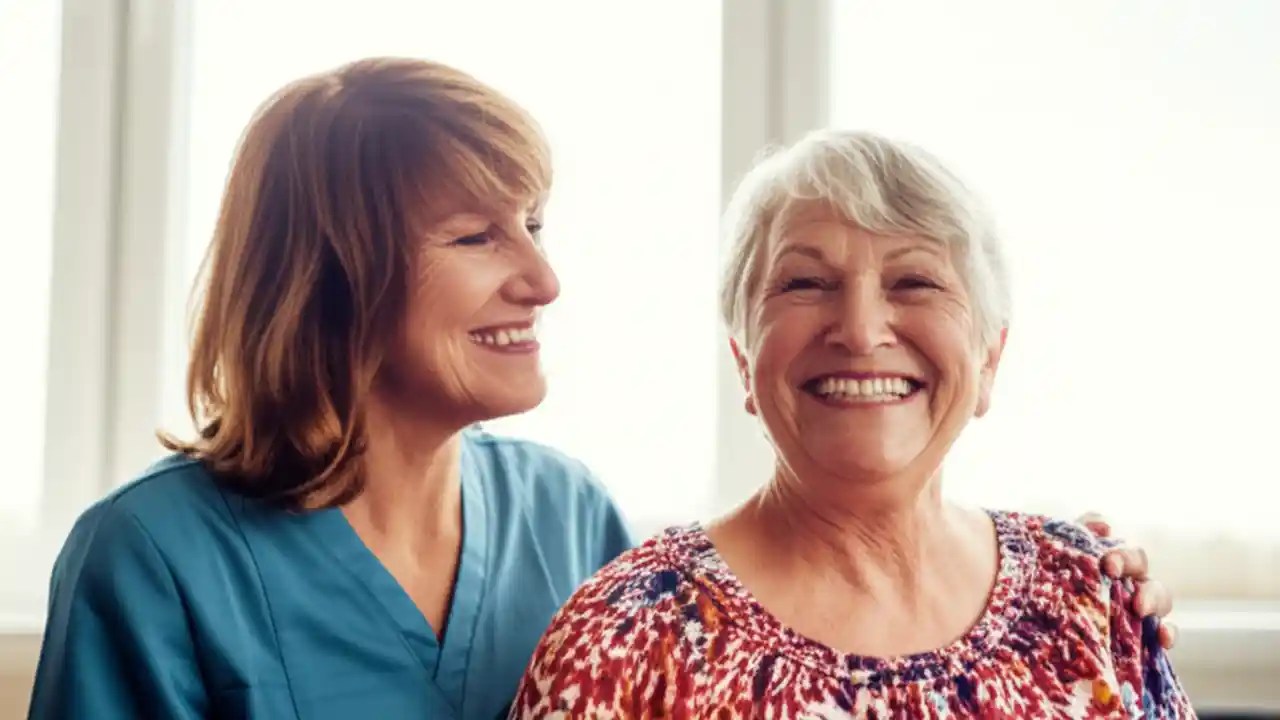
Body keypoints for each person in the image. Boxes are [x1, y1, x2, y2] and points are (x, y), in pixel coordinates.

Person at [28, 60, 1172, 719]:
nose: (541, 277)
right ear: (332, 273)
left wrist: (1089, 589)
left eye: (534, 226)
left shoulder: (564, 514)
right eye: (479, 235)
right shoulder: (153, 562)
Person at [512, 130, 1195, 718]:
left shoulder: (1089, 598)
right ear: (743, 358)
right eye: (805, 284)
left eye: (916, 283)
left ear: (989, 357)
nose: (862, 332)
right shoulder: (625, 637)